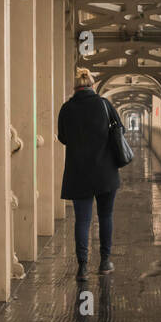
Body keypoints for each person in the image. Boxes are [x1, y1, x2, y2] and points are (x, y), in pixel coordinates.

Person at [57, 67, 122, 280]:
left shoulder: (67, 109)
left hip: (78, 173)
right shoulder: (104, 105)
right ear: (92, 85)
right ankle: (105, 261)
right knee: (106, 216)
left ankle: (83, 267)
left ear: (75, 87)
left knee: (82, 221)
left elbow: (63, 138)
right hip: (105, 172)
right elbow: (120, 130)